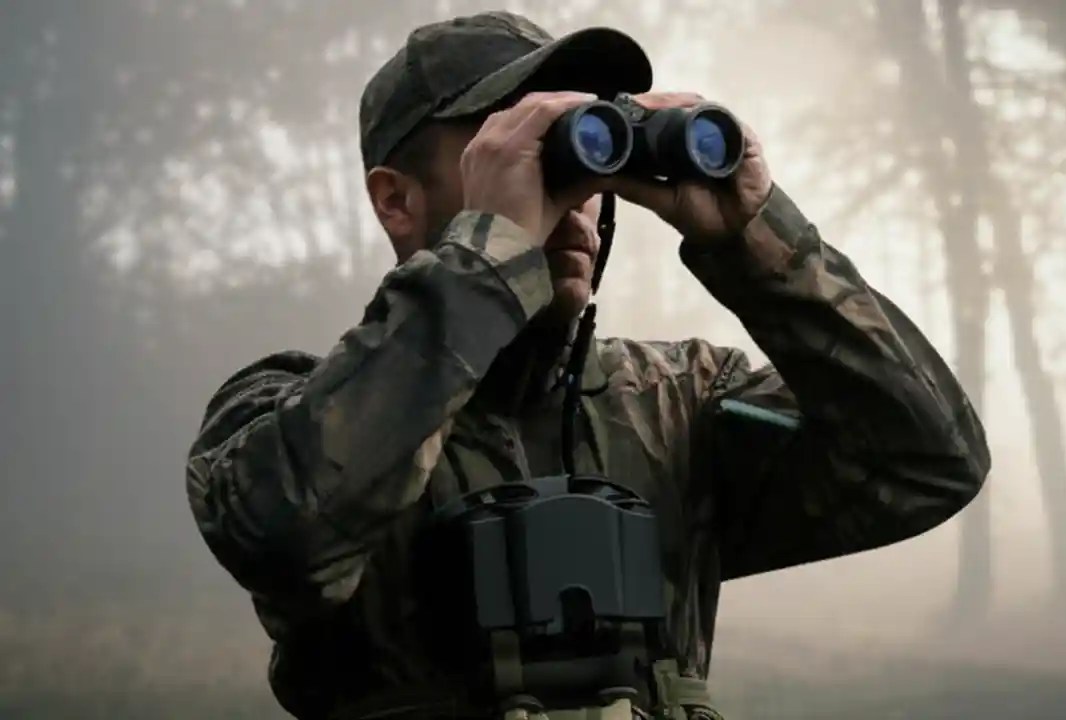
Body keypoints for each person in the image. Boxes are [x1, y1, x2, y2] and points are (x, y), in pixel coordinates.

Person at [185, 10, 991, 720]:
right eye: (515, 146)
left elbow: (927, 461)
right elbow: (284, 533)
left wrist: (760, 244)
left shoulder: (677, 404)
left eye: (585, 144)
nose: (576, 191)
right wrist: (485, 263)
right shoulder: (284, 411)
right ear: (396, 200)